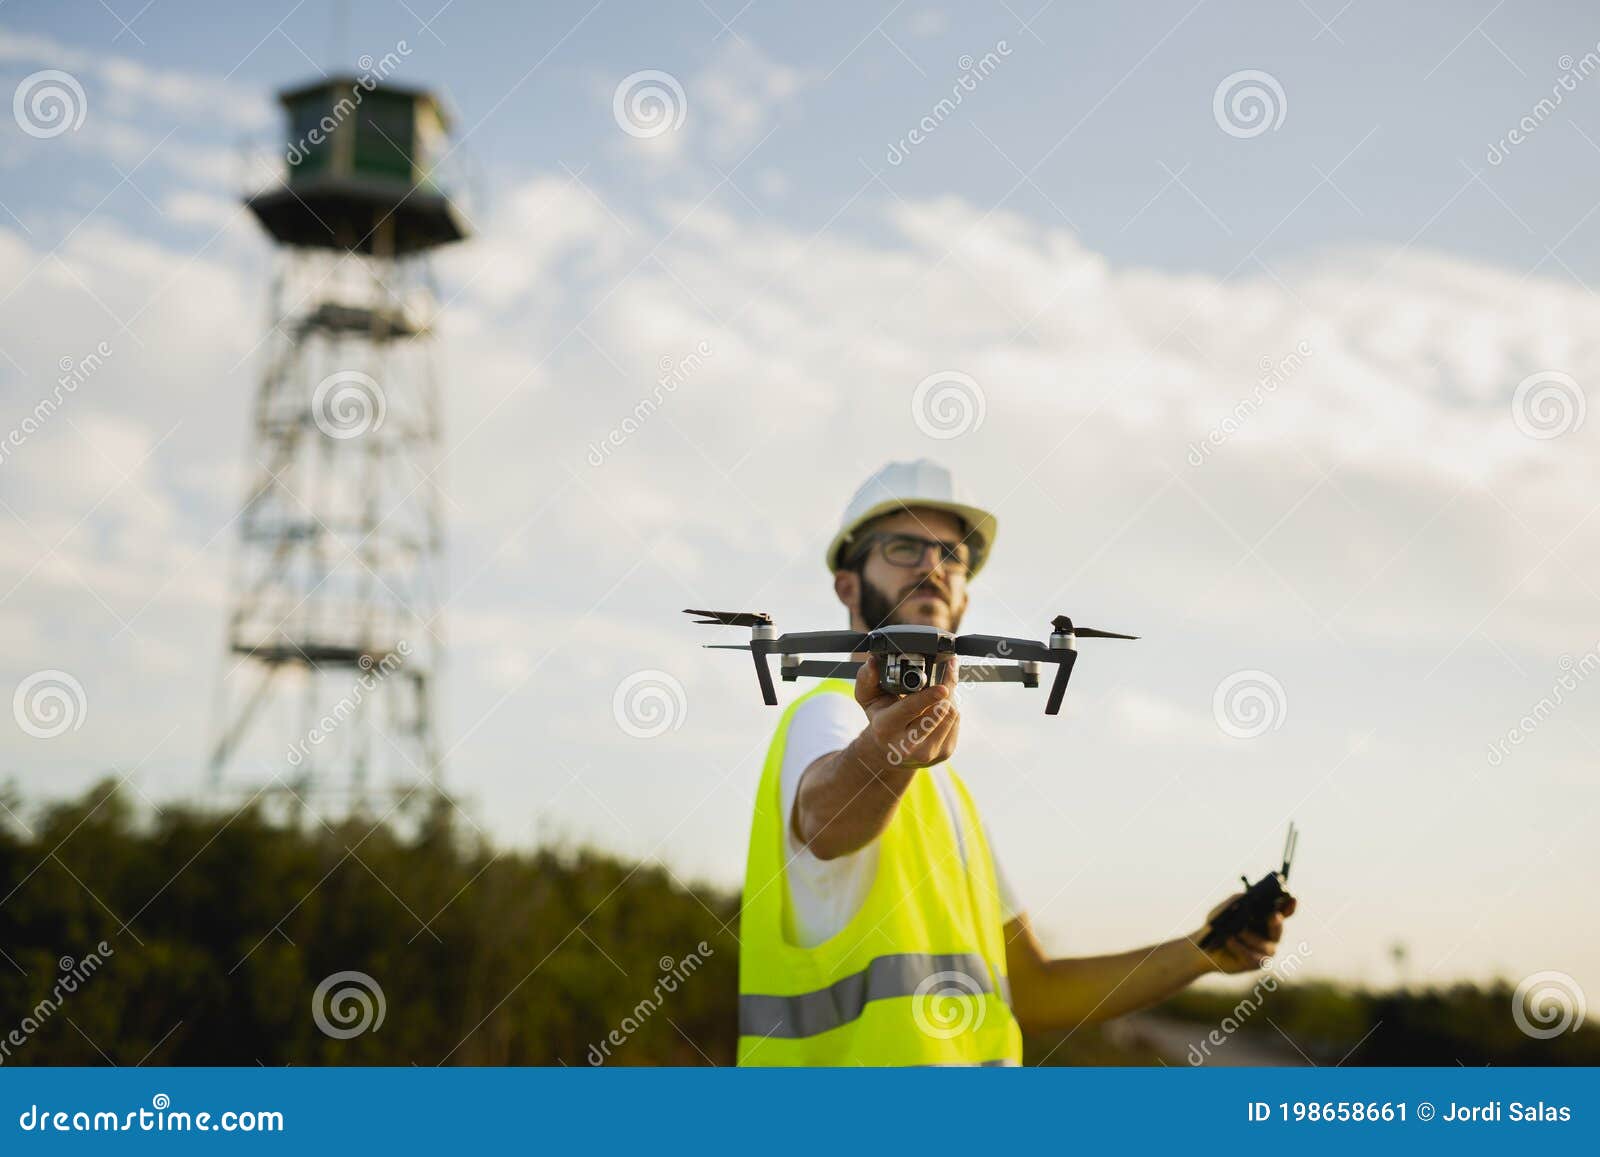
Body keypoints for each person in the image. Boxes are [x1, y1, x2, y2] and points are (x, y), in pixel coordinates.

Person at [736, 459, 1297, 1065]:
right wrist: (884, 756)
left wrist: (1203, 951)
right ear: (847, 585)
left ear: (966, 599)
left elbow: (1029, 990)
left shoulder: (949, 799)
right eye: (903, 548)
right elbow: (827, 818)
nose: (932, 567)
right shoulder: (828, 716)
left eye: (952, 556)